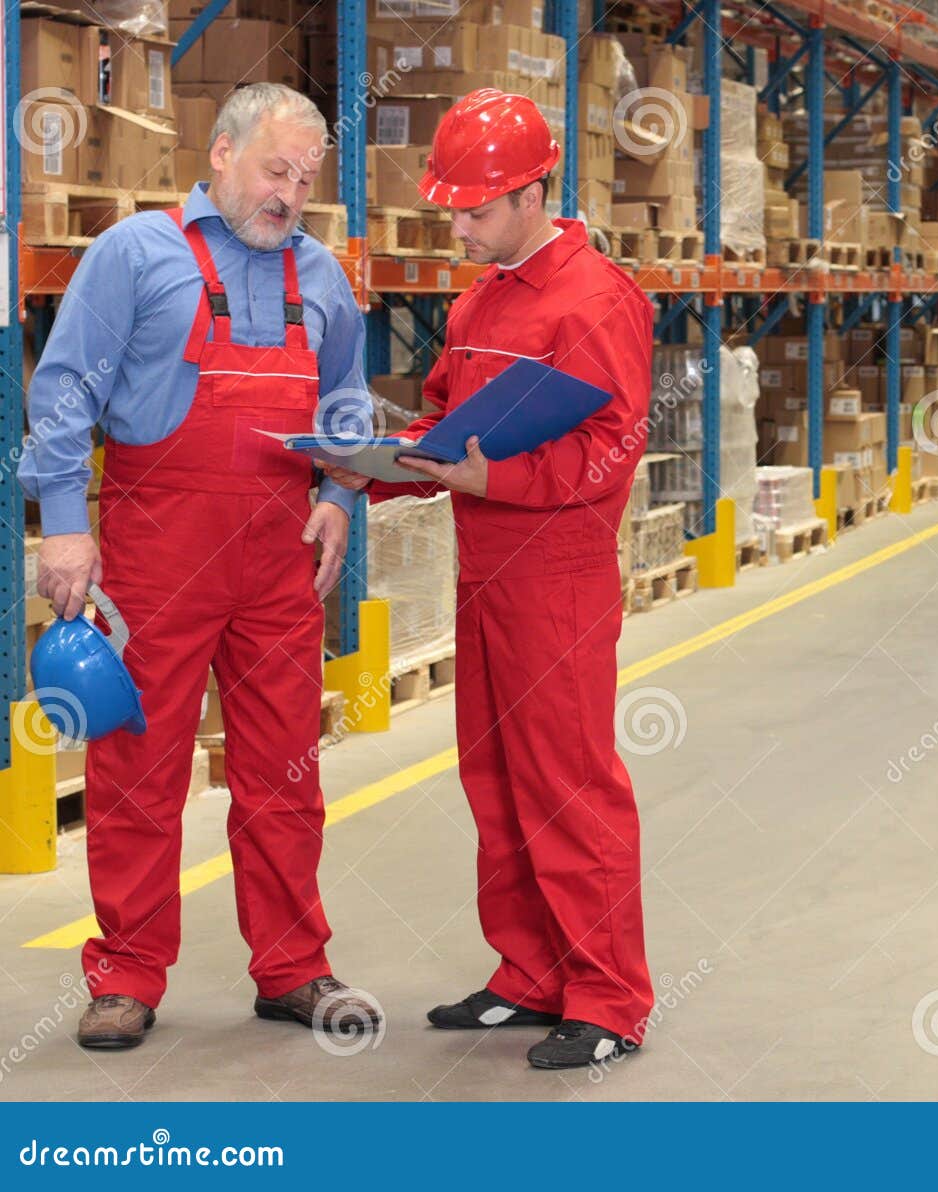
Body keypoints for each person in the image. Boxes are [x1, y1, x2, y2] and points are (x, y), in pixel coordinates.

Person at [21, 83, 380, 1050]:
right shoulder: (135, 256)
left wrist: (339, 497)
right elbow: (62, 394)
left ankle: (293, 967)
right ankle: (129, 972)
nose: (289, 196)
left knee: (285, 770)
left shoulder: (323, 276)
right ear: (219, 154)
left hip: (279, 562)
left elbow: (348, 403)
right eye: (275, 171)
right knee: (140, 765)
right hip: (158, 552)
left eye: (305, 180)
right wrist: (64, 524)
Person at [327, 88, 655, 1070]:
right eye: (454, 210)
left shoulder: (598, 299)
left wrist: (496, 475)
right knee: (497, 776)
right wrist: (371, 468)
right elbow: (442, 428)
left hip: (556, 569)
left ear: (534, 193)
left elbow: (613, 449)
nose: (459, 226)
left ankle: (607, 995)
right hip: (485, 564)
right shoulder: (476, 301)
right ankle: (530, 972)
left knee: (569, 783)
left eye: (476, 210)